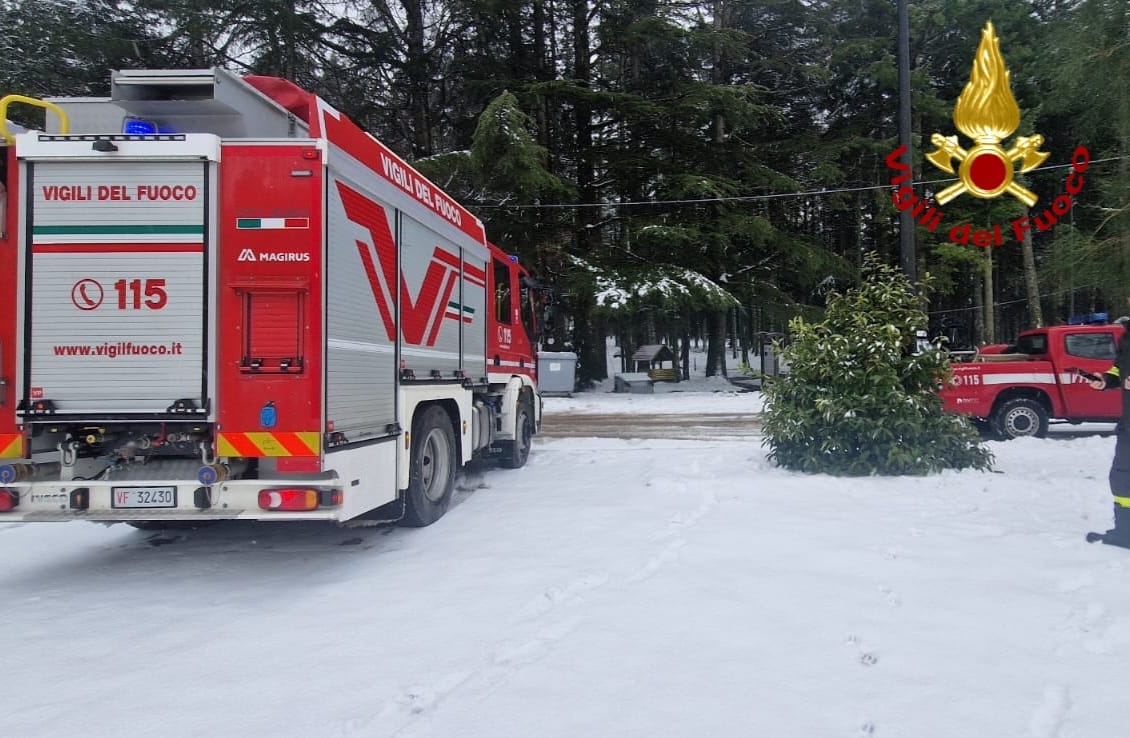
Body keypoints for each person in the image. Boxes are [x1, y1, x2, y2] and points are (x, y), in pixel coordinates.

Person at [1087, 313, 1130, 546]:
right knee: (1122, 478)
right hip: (1129, 424)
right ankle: (1125, 533)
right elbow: (1118, 370)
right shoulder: (1126, 337)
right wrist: (1105, 380)